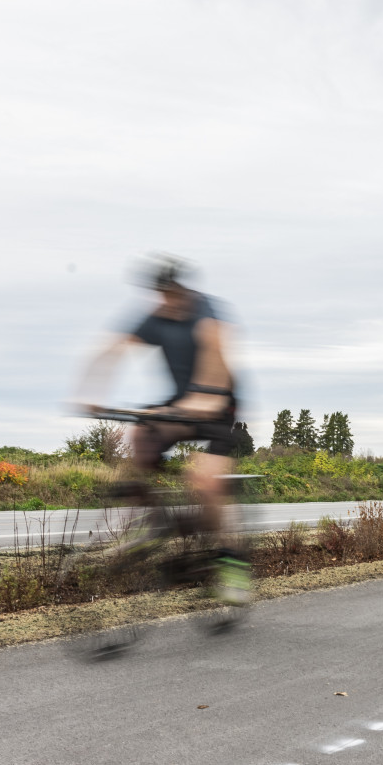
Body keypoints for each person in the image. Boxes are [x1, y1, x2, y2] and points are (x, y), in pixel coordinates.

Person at [79, 256, 251, 604]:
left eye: (173, 293)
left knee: (203, 479)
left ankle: (231, 562)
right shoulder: (155, 317)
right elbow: (112, 348)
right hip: (181, 402)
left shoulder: (209, 317)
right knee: (141, 435)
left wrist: (189, 404)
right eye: (160, 294)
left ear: (183, 290)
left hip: (220, 405)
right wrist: (89, 393)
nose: (167, 301)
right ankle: (157, 521)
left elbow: (213, 374)